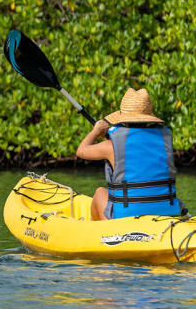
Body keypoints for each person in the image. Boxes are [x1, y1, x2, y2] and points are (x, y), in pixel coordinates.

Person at [76, 88, 185, 221]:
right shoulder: (163, 140)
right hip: (165, 213)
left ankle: (96, 233)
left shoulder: (111, 146)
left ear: (123, 120)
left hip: (125, 217)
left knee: (100, 192)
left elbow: (81, 151)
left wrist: (96, 131)